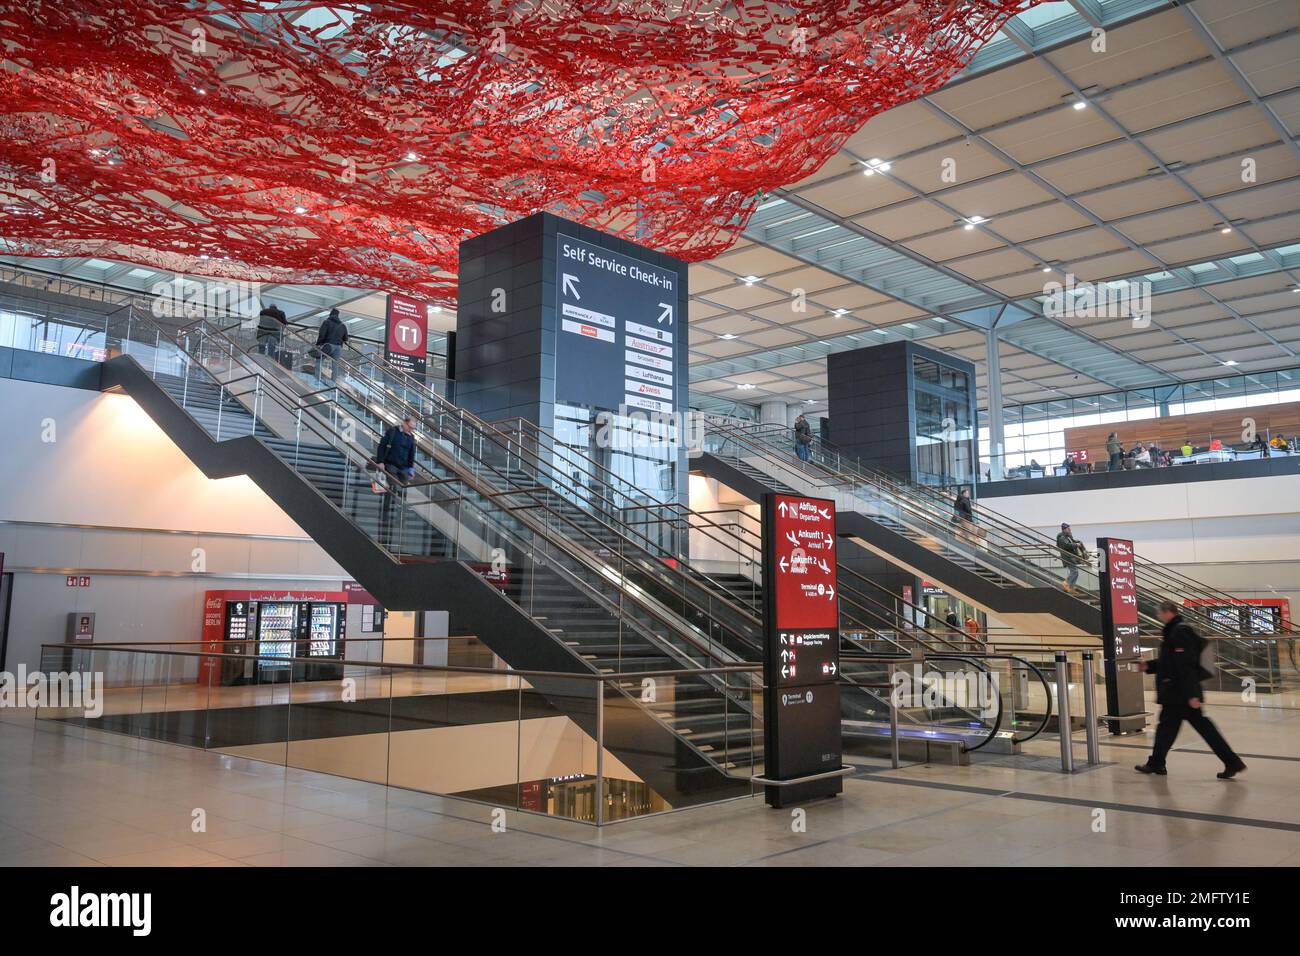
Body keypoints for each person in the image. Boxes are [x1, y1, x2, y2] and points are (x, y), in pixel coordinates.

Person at [1136, 601, 1246, 779]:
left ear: (1168, 612)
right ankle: (1157, 763)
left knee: (1193, 729)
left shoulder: (1179, 631)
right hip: (1178, 693)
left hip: (1180, 694)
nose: (1158, 616)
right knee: (1171, 729)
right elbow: (1170, 663)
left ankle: (1232, 762)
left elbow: (1185, 666)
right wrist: (1148, 666)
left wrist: (1192, 694)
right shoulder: (1174, 631)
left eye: (1159, 612)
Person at [374, 415, 418, 546]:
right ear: (405, 423)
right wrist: (380, 461)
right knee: (392, 487)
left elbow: (411, 453)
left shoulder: (411, 437)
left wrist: (411, 468)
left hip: (403, 468)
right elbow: (381, 446)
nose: (412, 429)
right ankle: (387, 513)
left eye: (413, 427)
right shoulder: (392, 432)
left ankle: (400, 515)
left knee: (403, 491)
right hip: (391, 464)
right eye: (411, 425)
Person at [314, 307, 349, 381]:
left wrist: (318, 344)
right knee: (335, 365)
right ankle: (333, 383)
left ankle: (317, 379)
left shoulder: (326, 322)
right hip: (338, 347)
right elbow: (346, 339)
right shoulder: (343, 325)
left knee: (319, 360)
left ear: (330, 314)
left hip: (328, 345)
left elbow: (322, 334)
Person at [1055, 522, 1089, 592]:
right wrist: (1076, 545)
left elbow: (1071, 541)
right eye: (1068, 529)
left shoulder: (1067, 536)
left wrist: (1078, 542)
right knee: (1074, 571)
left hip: (1071, 557)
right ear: (1064, 529)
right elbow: (1067, 545)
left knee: (1075, 572)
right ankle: (1066, 583)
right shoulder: (1062, 538)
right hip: (1067, 557)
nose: (1070, 530)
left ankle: (1071, 587)